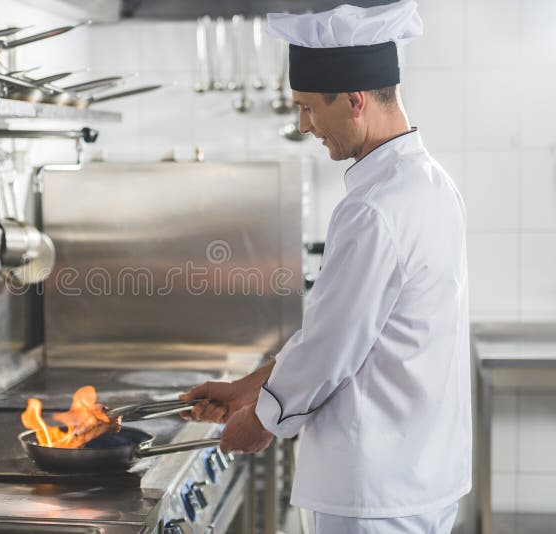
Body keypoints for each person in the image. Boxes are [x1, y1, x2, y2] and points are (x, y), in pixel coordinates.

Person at [181, 1, 472, 532]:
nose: (305, 125)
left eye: (310, 108)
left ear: (356, 100)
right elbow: (355, 338)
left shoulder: (372, 209)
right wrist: (248, 388)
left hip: (372, 488)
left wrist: (261, 421)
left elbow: (330, 349)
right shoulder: (431, 183)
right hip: (420, 477)